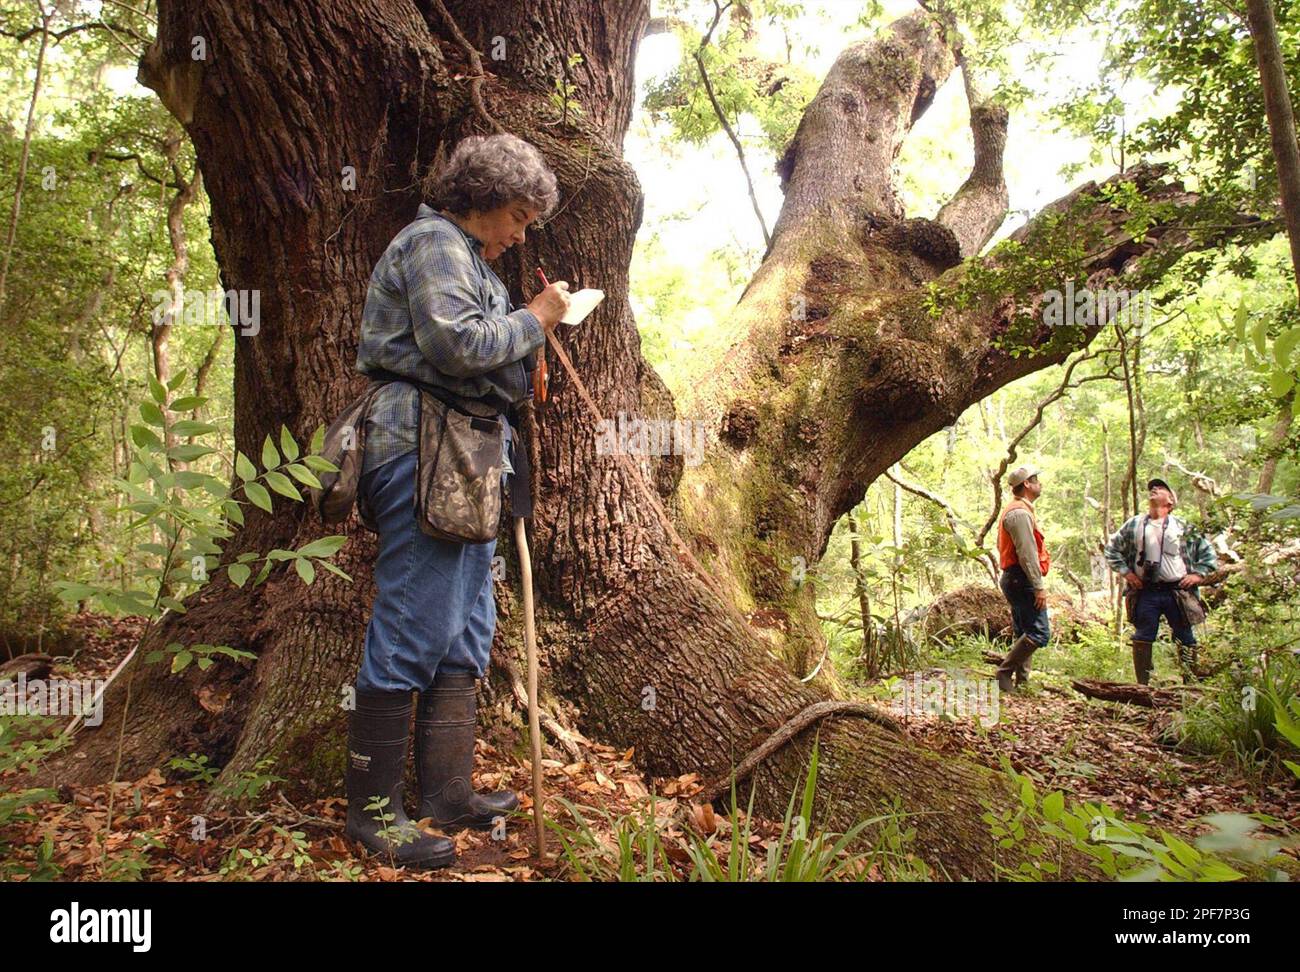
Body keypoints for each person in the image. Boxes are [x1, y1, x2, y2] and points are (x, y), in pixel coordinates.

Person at [344, 133, 571, 869]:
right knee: (416, 618)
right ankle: (374, 813)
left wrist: (533, 331)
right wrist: (535, 317)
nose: (519, 234)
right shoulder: (434, 242)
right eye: (518, 217)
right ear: (484, 201)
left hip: (466, 455)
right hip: (420, 448)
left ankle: (445, 794)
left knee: (465, 628)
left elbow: (488, 353)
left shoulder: (469, 260)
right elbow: (459, 346)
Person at [1104, 478, 1218, 685]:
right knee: (1142, 636)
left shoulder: (1182, 526)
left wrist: (1197, 575)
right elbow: (1112, 550)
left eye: (1160, 488)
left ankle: (1190, 684)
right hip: (1146, 591)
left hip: (1177, 591)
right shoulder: (1134, 524)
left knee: (1185, 637)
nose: (1154, 490)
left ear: (1171, 501)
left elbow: (1208, 554)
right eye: (1151, 489)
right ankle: (1143, 686)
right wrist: (1127, 574)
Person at [995, 466, 1052, 692]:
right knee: (1039, 632)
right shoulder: (1019, 513)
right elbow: (1027, 553)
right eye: (1036, 480)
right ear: (1027, 484)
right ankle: (1004, 672)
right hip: (1021, 578)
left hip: (1017, 577)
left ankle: (1021, 684)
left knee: (1024, 630)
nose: (1039, 484)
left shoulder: (1021, 510)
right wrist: (1038, 586)